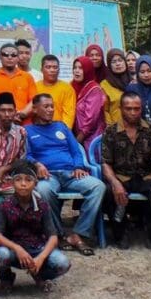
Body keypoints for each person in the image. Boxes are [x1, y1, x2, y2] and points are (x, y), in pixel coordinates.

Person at [26, 93, 105, 255]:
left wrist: (78, 166)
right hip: (48, 175)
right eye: (46, 106)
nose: (50, 110)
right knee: (43, 191)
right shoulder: (27, 130)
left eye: (52, 106)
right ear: (34, 109)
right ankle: (57, 233)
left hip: (71, 174)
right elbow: (26, 155)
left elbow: (76, 150)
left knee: (98, 186)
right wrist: (37, 164)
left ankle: (78, 233)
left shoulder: (61, 127)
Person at [100, 93, 151, 249]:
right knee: (109, 191)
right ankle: (120, 234)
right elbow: (105, 163)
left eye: (136, 109)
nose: (133, 112)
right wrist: (115, 183)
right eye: (128, 108)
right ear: (121, 109)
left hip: (145, 176)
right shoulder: (111, 131)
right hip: (122, 177)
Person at [0, 161, 70, 293]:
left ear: (35, 183)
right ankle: (6, 278)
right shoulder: (5, 205)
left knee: (62, 263)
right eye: (18, 180)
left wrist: (41, 257)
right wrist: (17, 248)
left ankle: (41, 275)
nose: (23, 184)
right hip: (14, 251)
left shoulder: (42, 205)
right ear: (12, 182)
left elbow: (53, 236)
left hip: (37, 249)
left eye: (28, 180)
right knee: (0, 254)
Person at [0, 43, 37, 122]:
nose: (9, 57)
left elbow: (34, 100)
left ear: (18, 57)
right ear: (0, 57)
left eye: (13, 55)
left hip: (23, 124)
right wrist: (8, 116)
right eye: (5, 55)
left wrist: (23, 114)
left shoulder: (27, 77)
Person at [71, 56, 106, 148]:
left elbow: (90, 120)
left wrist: (77, 141)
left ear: (88, 70)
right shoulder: (72, 86)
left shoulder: (94, 89)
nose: (76, 71)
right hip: (75, 134)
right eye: (75, 67)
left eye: (81, 68)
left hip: (91, 139)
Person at [35, 54, 76, 129]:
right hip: (38, 129)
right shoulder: (35, 87)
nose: (52, 70)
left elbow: (69, 116)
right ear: (41, 70)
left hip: (58, 131)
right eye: (48, 67)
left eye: (55, 67)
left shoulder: (67, 88)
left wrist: (63, 132)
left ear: (59, 70)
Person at [99, 48, 131, 127]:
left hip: (135, 127)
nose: (118, 64)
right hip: (116, 129)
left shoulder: (133, 81)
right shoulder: (105, 85)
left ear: (125, 62)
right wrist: (111, 128)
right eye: (114, 62)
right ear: (109, 65)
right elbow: (104, 110)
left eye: (120, 60)